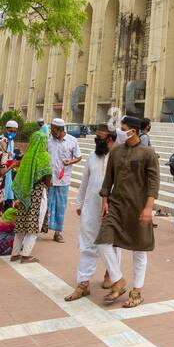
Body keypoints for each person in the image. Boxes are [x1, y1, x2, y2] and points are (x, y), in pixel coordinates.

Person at [96, 115, 159, 308]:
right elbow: (108, 178)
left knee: (139, 249)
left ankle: (137, 290)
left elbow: (153, 182)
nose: (120, 131)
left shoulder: (148, 153)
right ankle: (118, 280)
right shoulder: (116, 152)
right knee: (103, 241)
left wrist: (149, 208)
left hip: (139, 207)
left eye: (123, 128)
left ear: (133, 130)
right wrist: (105, 199)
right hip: (116, 206)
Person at [64, 125, 115, 299]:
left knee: (113, 244)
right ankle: (83, 283)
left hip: (113, 208)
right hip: (91, 208)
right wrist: (79, 203)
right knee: (87, 244)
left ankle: (111, 275)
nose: (97, 142)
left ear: (110, 139)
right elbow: (85, 181)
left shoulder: (118, 157)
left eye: (100, 139)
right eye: (96, 138)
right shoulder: (93, 157)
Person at [9, 128, 53, 264]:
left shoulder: (27, 155)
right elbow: (47, 179)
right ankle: (26, 255)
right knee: (34, 225)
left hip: (24, 194)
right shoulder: (43, 155)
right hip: (37, 195)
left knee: (21, 224)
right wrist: (50, 182)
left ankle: (15, 253)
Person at [42, 117, 82, 242]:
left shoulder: (72, 141)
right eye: (51, 129)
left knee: (61, 207)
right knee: (46, 204)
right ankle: (42, 227)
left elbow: (79, 157)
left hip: (63, 180)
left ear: (60, 130)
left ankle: (58, 232)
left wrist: (70, 161)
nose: (51, 132)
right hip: (49, 178)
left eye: (53, 130)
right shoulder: (48, 141)